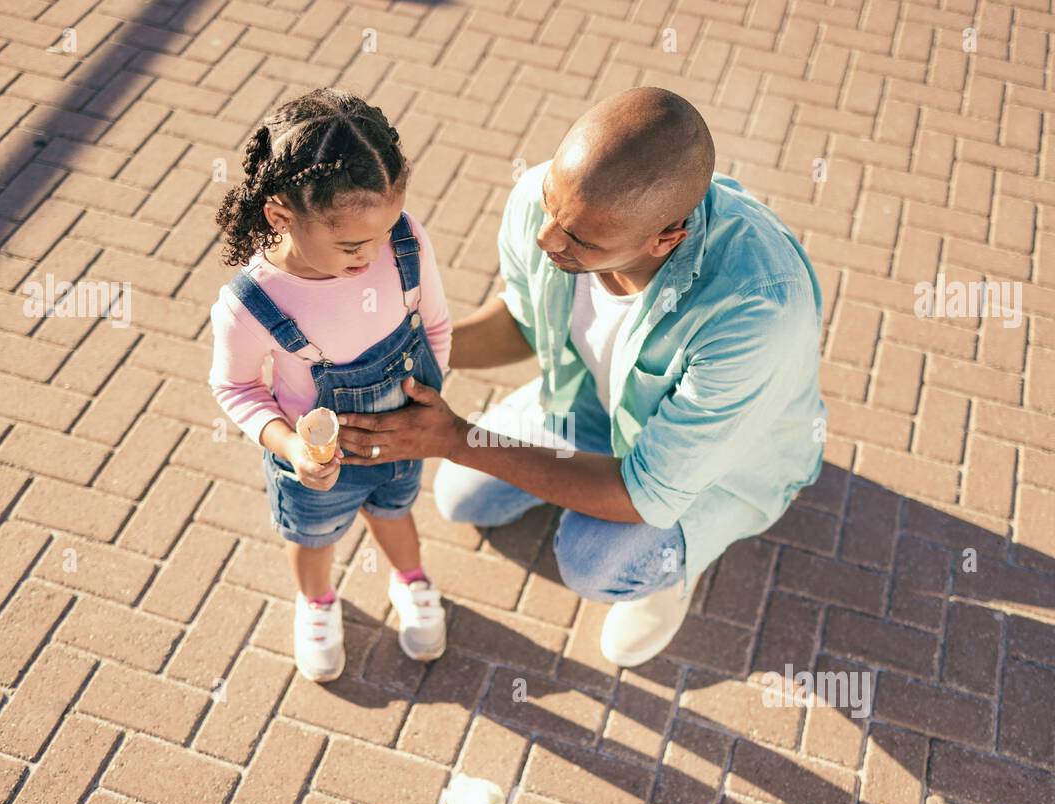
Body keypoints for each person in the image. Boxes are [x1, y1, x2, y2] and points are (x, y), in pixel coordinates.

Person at [334, 87, 827, 668]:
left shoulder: (757, 311)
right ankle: (572, 472)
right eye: (550, 208)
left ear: (665, 238)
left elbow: (643, 492)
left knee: (593, 562)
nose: (547, 241)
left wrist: (453, 438)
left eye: (581, 241)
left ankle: (672, 570)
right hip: (592, 405)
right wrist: (410, 349)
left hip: (717, 468)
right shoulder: (554, 202)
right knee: (461, 497)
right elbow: (524, 321)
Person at [208, 89, 452, 682]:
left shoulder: (404, 241)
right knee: (313, 536)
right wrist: (291, 447)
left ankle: (410, 580)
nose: (371, 256)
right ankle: (316, 604)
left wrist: (430, 401)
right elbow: (236, 388)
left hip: (401, 437)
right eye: (349, 245)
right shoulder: (252, 304)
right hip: (317, 461)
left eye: (384, 230)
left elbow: (435, 326)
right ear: (280, 216)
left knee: (395, 511)